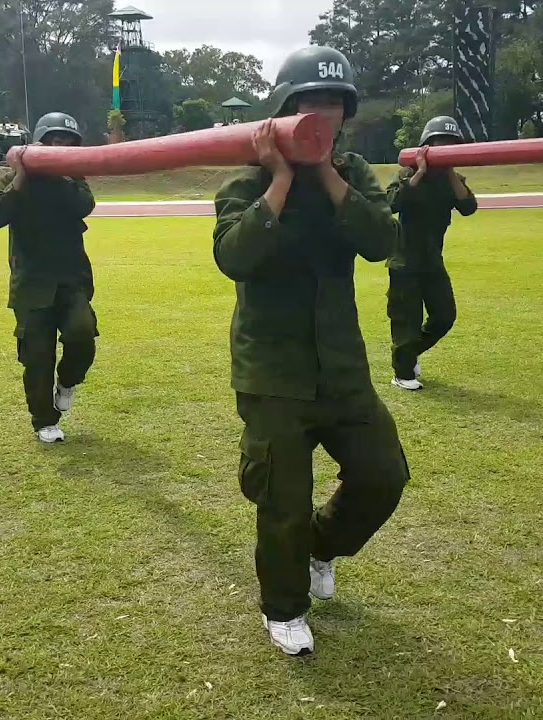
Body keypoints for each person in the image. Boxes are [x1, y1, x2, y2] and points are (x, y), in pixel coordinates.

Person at [212, 46, 410, 656]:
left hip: (341, 366)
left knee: (383, 476)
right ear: (285, 109)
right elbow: (233, 257)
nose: (320, 115)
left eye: (332, 104)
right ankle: (285, 607)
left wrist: (327, 172)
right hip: (272, 371)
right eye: (309, 103)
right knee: (282, 498)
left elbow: (382, 240)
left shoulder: (353, 172)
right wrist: (279, 179)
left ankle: (322, 548)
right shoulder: (245, 180)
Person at [0, 112, 99, 444]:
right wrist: (22, 176)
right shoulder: (13, 180)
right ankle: (44, 420)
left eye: (68, 142)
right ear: (40, 141)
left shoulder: (74, 179)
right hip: (32, 283)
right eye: (55, 140)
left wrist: (60, 174)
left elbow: (84, 205)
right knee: (37, 356)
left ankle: (67, 381)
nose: (61, 146)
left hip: (71, 278)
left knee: (81, 334)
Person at [384, 116, 478, 391]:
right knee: (406, 322)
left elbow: (469, 207)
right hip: (404, 261)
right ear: (426, 145)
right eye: (440, 143)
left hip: (432, 261)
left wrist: (449, 171)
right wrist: (420, 172)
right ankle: (402, 372)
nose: (446, 148)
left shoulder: (452, 180)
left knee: (444, 316)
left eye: (451, 144)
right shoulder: (407, 174)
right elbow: (391, 202)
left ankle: (409, 356)